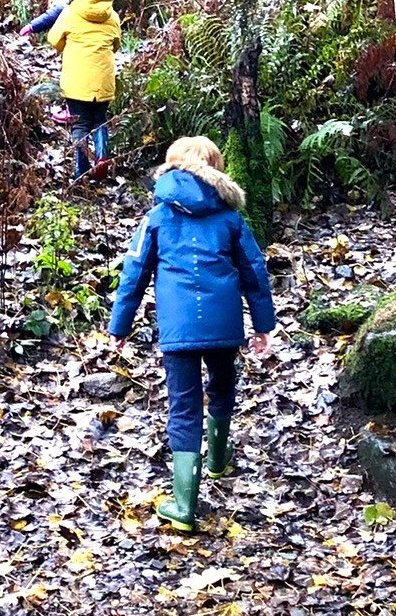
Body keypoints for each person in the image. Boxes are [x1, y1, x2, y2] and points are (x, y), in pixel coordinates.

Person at [108, 135, 276, 533]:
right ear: (216, 171)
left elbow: (133, 276)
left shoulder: (157, 218)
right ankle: (218, 459)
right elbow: (255, 273)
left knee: (183, 406)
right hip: (223, 326)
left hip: (178, 328)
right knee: (221, 386)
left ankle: (184, 504)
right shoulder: (232, 219)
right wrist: (263, 325)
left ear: (172, 167)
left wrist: (120, 327)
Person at [45, 0, 121, 179]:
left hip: (77, 81)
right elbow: (116, 44)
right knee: (100, 119)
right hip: (104, 80)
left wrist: (66, 46)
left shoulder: (70, 12)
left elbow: (54, 39)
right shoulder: (112, 15)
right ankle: (102, 157)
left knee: (80, 122)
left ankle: (81, 169)